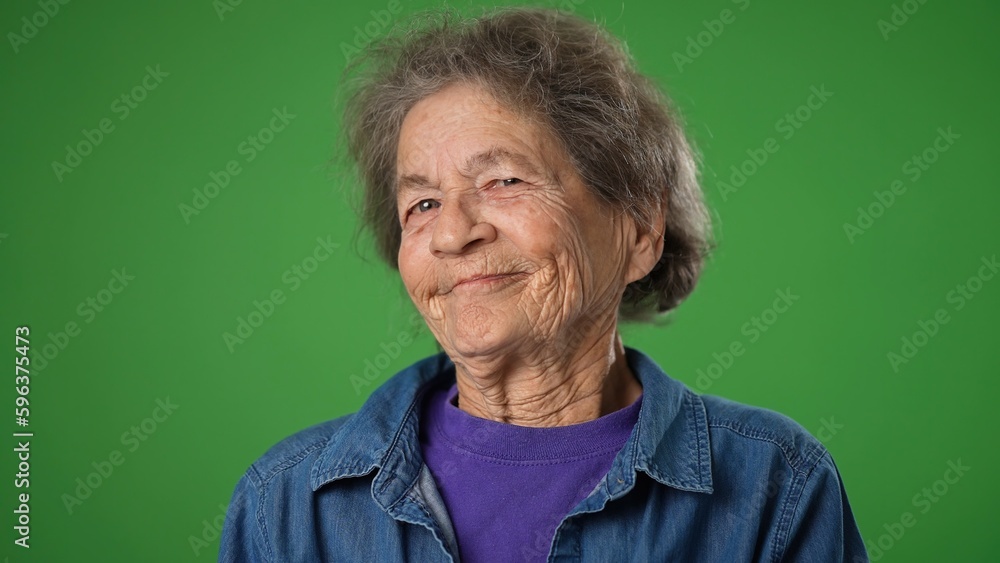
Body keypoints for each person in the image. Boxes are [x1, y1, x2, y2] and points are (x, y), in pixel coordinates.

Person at [220, 7, 867, 562]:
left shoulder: (775, 484)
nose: (453, 233)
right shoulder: (286, 502)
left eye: (503, 180)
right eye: (421, 204)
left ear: (640, 229)